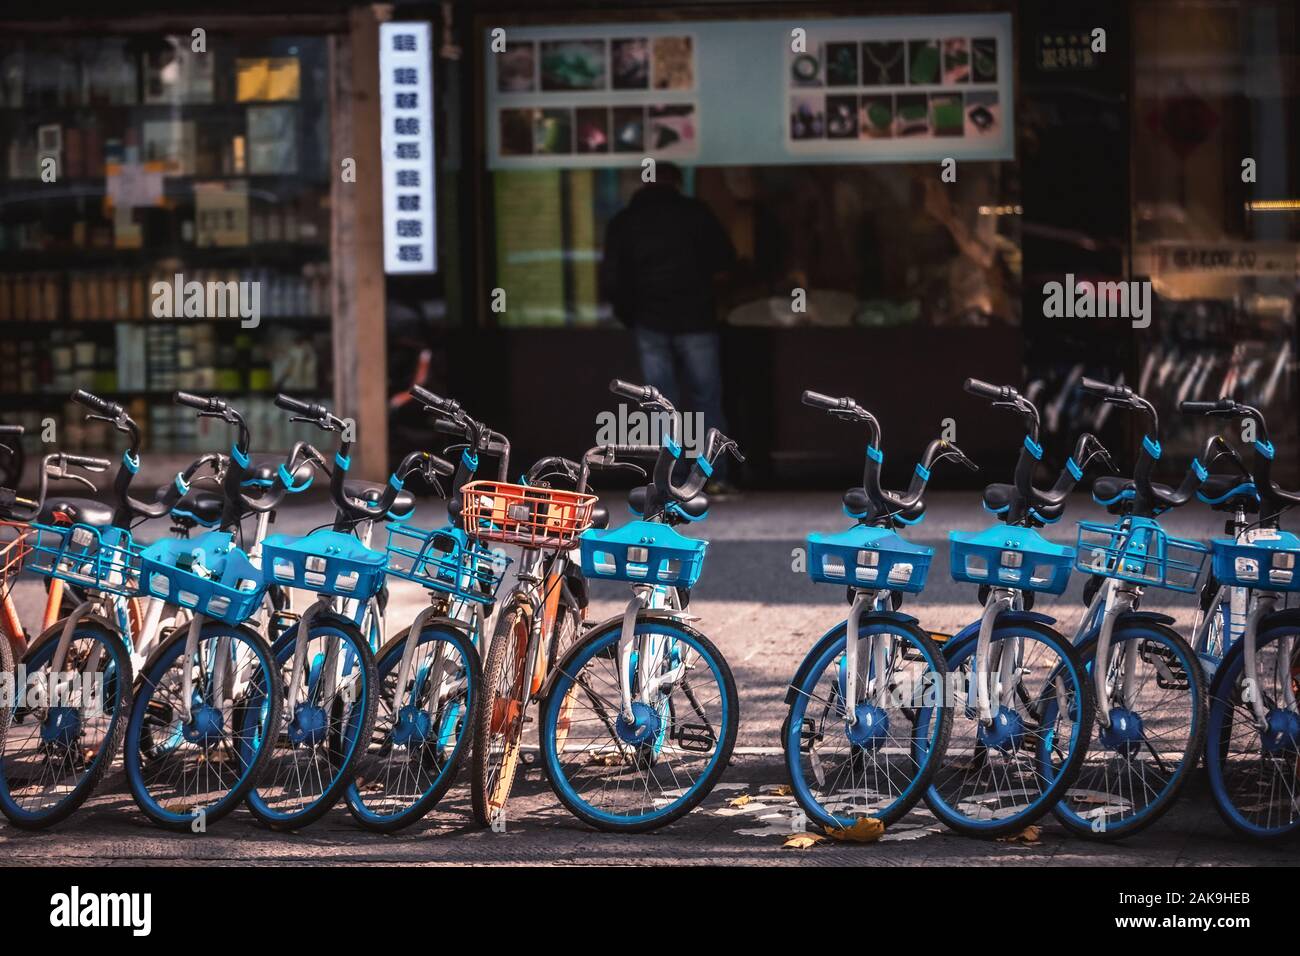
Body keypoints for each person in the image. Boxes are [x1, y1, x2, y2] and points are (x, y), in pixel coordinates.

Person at [600, 163, 738, 491]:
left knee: (662, 405)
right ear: (677, 182)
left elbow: (612, 279)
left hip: (650, 321)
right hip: (697, 319)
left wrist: (629, 315)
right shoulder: (695, 213)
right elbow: (726, 261)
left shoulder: (626, 220)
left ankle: (671, 479)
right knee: (707, 400)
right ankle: (714, 477)